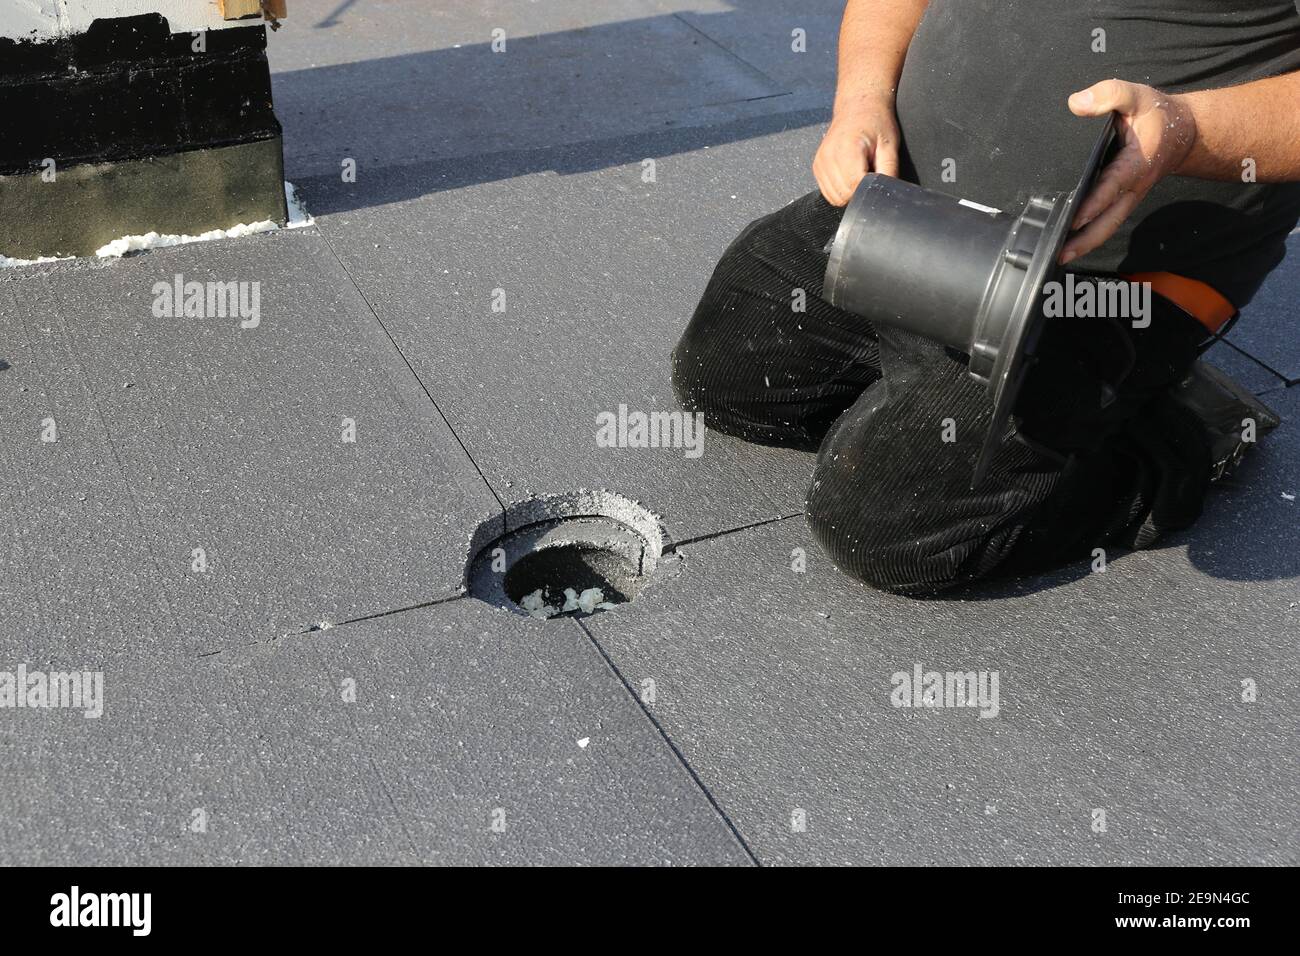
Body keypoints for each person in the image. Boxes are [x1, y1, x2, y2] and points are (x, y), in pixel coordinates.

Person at [672, 0, 1300, 595]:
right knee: (728, 377)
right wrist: (860, 101)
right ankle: (1005, 399)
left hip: (1098, 275)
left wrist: (1183, 130)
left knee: (895, 530)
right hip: (910, 202)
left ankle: (1174, 436)